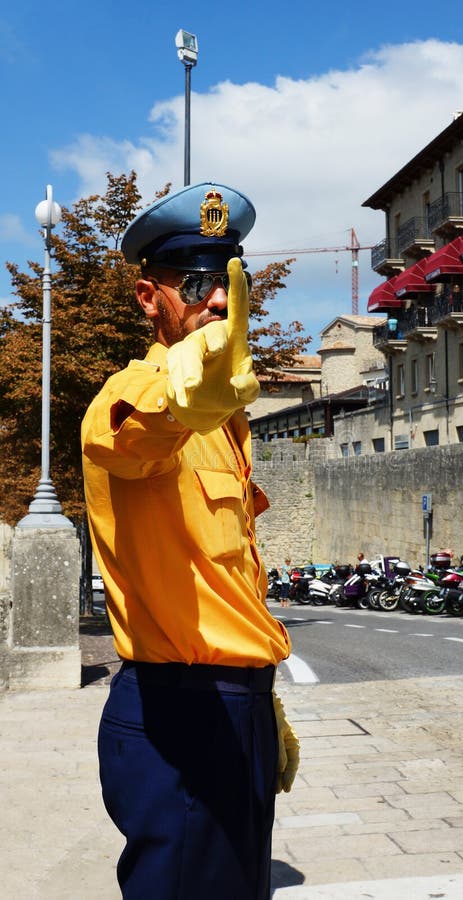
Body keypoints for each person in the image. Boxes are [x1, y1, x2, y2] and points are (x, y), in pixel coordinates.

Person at [81, 182, 300, 900]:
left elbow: (225, 575)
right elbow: (130, 432)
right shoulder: (138, 394)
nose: (215, 301)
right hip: (180, 715)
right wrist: (180, 399)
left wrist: (261, 696)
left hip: (232, 704)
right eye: (196, 282)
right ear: (150, 298)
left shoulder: (225, 418)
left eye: (228, 284)